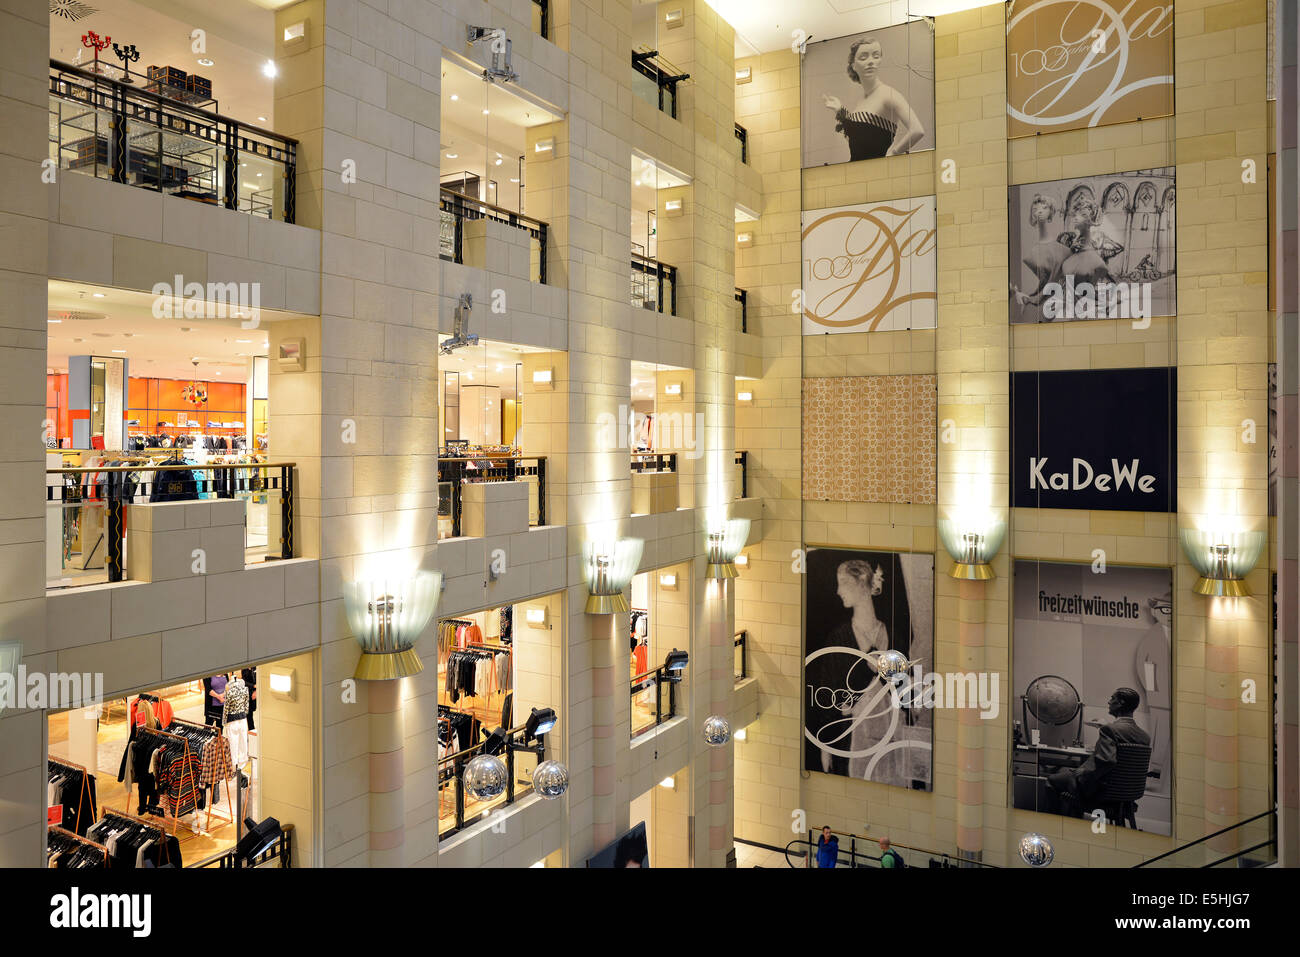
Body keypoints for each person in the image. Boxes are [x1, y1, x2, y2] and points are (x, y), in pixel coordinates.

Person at [1047, 687, 1151, 814]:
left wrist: (1083, 772)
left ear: (1120, 703)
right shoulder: (1145, 737)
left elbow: (1106, 761)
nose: (1109, 702)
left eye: (1112, 698)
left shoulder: (1110, 730)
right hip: (1127, 795)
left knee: (1052, 780)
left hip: (1102, 793)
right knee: (1071, 777)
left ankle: (1056, 823)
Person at [823, 37, 924, 160]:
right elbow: (858, 139)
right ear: (854, 66)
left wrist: (893, 153)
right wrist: (839, 110)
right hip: (855, 170)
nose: (871, 62)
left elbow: (917, 130)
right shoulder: (861, 100)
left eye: (876, 56)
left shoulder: (889, 95)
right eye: (863, 58)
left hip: (876, 171)